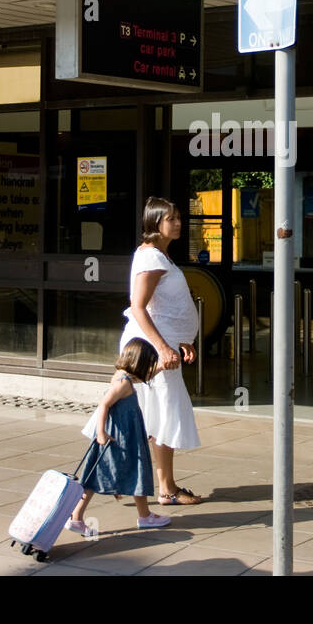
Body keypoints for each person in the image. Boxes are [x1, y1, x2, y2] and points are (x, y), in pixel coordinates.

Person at [119, 197, 203, 506]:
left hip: (162, 347)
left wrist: (182, 339)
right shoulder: (152, 258)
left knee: (156, 416)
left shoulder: (160, 256)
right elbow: (139, 308)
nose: (178, 222)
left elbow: (163, 307)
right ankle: (165, 488)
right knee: (161, 416)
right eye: (171, 218)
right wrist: (164, 348)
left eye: (179, 216)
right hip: (152, 352)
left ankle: (163, 486)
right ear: (156, 223)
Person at [67, 338, 169, 533]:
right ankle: (77, 517)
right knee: (102, 475)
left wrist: (161, 367)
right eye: (148, 364)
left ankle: (144, 515)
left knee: (113, 473)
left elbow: (141, 378)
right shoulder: (123, 382)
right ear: (138, 363)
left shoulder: (123, 376)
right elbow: (104, 404)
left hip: (124, 436)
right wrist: (100, 433)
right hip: (118, 438)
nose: (148, 368)